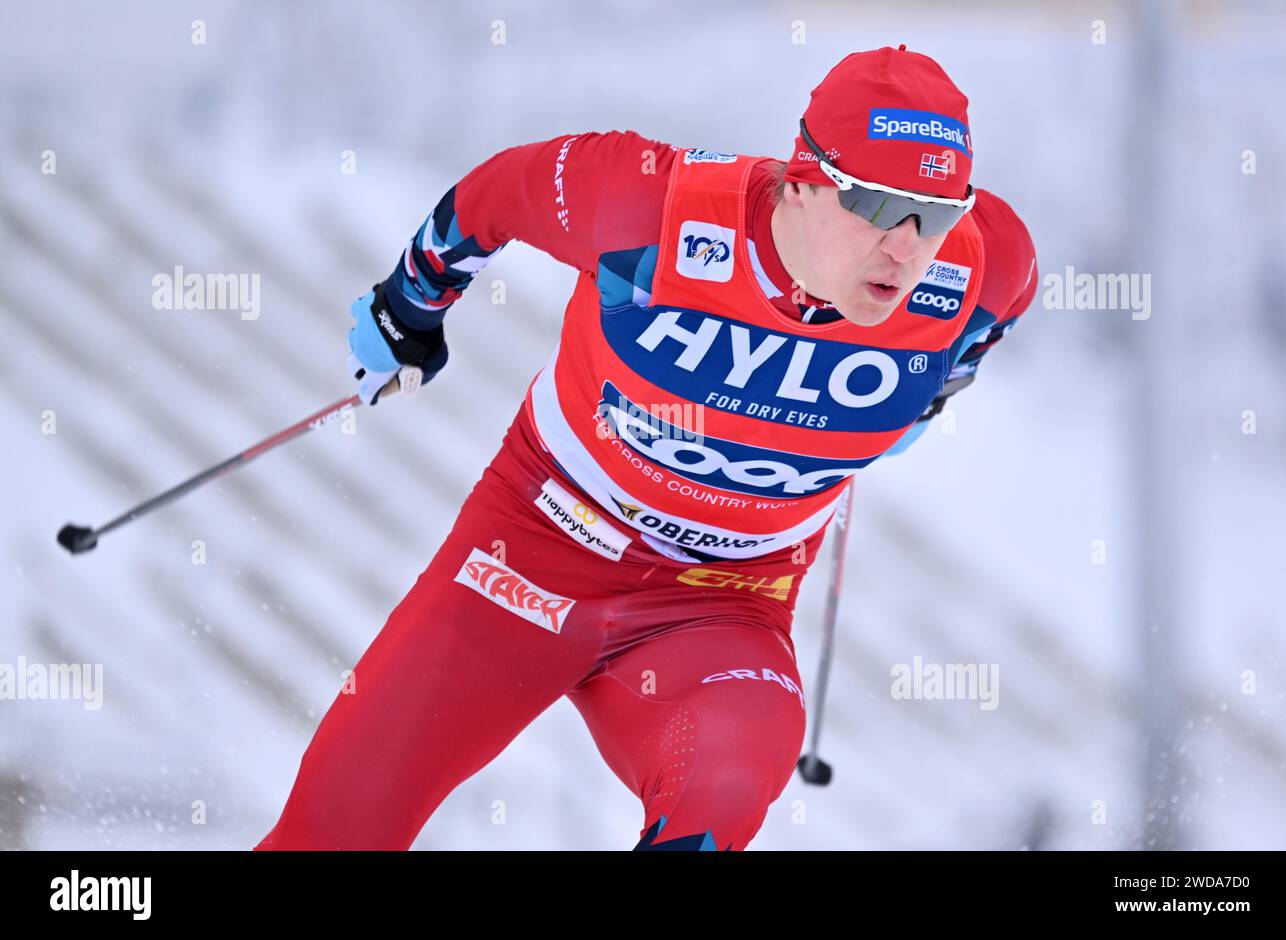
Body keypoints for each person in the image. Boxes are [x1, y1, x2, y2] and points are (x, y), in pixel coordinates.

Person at [255, 45, 1038, 851]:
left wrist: (938, 393)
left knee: (723, 791)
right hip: (535, 549)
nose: (908, 249)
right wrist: (410, 308)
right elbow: (495, 197)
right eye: (877, 207)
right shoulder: (646, 204)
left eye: (937, 213)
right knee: (332, 833)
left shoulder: (984, 267)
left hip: (723, 599)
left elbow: (998, 311)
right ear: (802, 180)